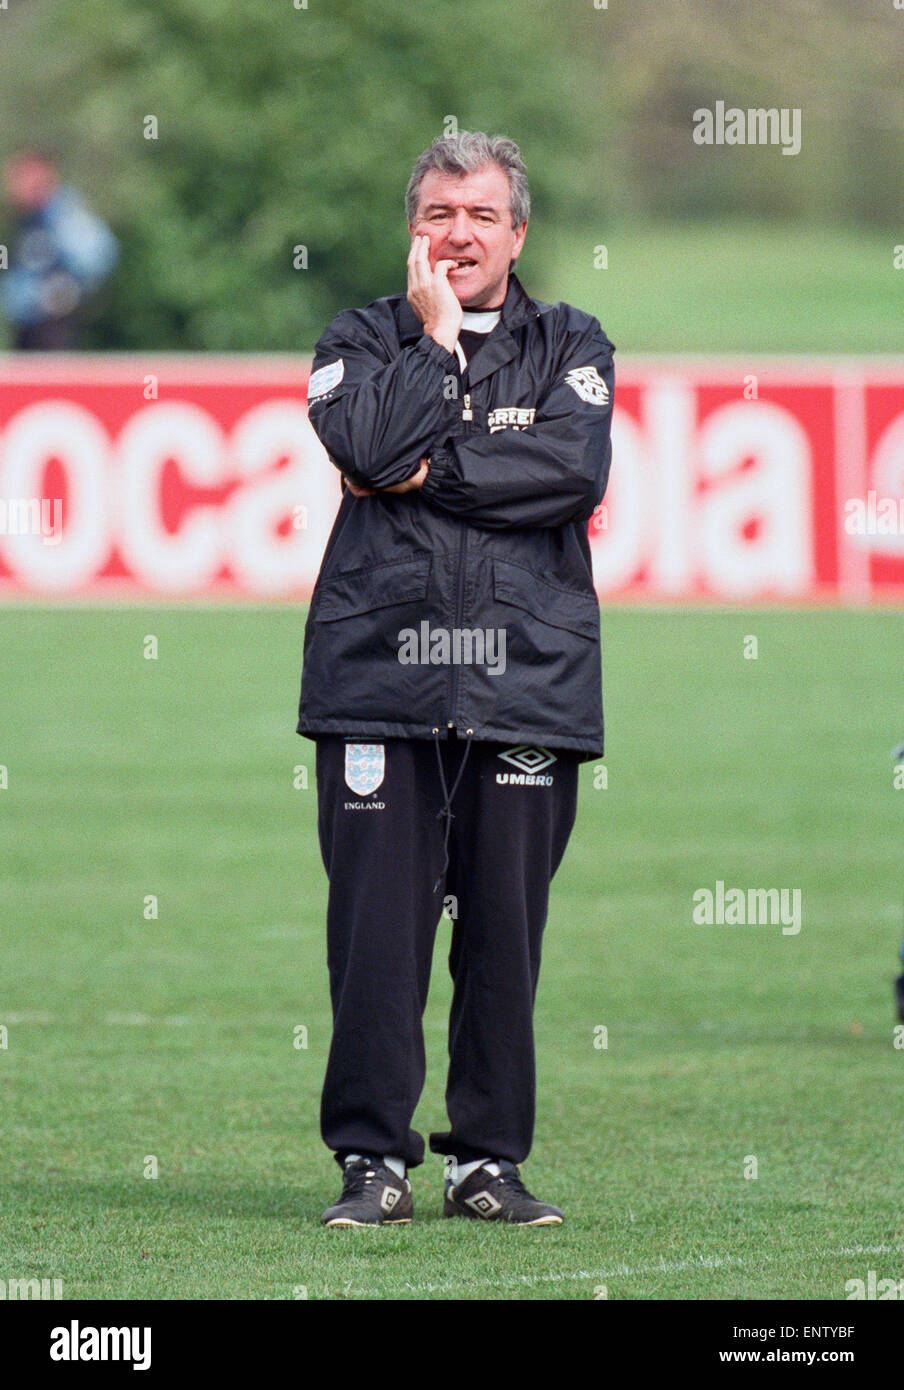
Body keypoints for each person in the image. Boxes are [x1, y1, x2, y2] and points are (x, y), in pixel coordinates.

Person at [297, 131, 615, 1226]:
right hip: (377, 681)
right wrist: (433, 350)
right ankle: (370, 1161)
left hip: (526, 683)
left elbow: (570, 470)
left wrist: (422, 466)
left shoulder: (572, 339)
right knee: (375, 938)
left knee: (503, 938)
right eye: (440, 214)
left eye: (482, 214)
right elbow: (367, 444)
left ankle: (485, 1163)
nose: (460, 233)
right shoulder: (358, 337)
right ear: (413, 232)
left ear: (517, 232)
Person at [1, 150, 119, 350]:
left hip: (55, 331)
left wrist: (60, 292)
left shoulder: (65, 216)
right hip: (28, 328)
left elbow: (98, 258)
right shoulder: (29, 220)